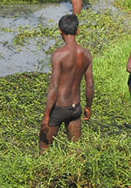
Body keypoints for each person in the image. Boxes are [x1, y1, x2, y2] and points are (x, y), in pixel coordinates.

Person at [39, 14, 94, 153]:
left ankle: (42, 171)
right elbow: (90, 85)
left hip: (59, 107)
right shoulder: (86, 54)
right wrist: (88, 106)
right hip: (76, 108)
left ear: (60, 32)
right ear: (77, 31)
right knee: (76, 150)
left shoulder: (59, 55)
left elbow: (54, 87)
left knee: (44, 146)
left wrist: (46, 115)